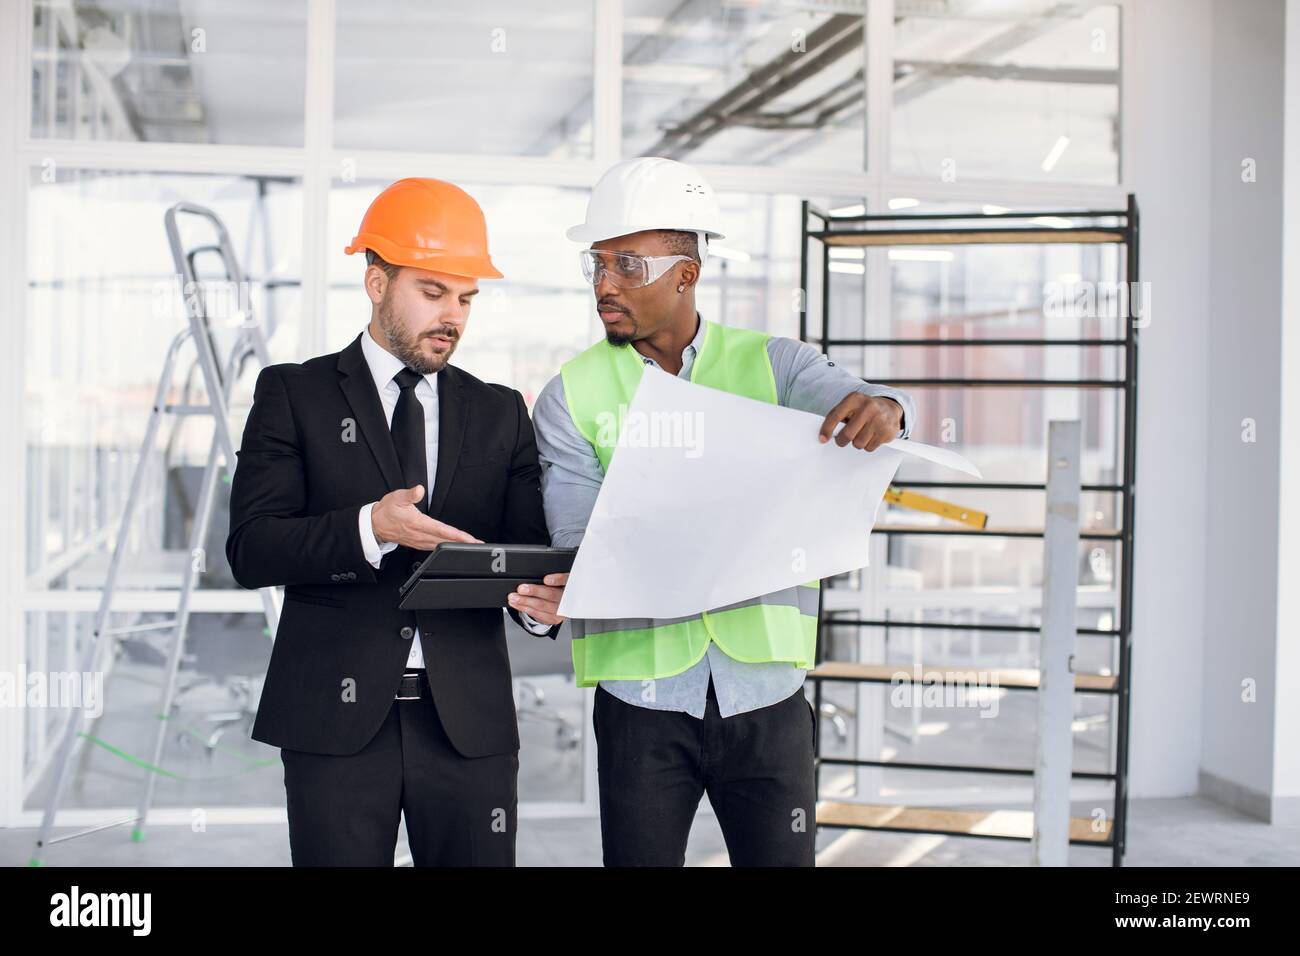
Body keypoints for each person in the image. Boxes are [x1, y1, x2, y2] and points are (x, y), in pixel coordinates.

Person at [532, 157, 916, 866]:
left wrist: (888, 409)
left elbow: (866, 403)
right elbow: (582, 543)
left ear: (686, 273)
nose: (605, 285)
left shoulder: (775, 366)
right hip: (640, 703)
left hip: (767, 697)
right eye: (596, 264)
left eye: (627, 265)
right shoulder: (571, 396)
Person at [226, 177, 567, 866]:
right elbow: (252, 549)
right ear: (377, 282)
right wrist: (370, 529)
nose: (454, 316)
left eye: (466, 298)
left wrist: (545, 606)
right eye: (433, 292)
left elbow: (528, 555)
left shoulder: (501, 411)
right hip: (334, 722)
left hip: (468, 727)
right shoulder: (294, 394)